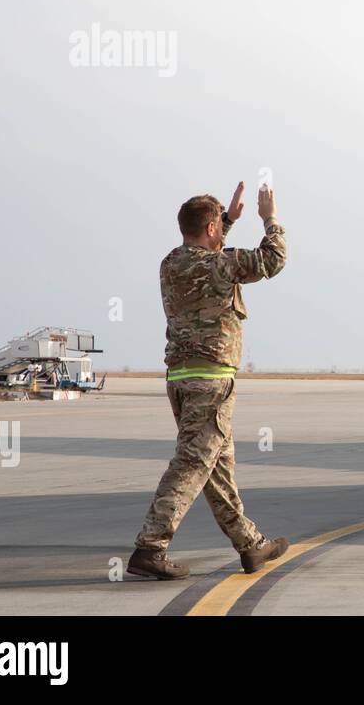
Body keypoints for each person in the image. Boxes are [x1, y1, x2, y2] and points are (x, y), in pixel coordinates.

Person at [128, 182, 288, 580]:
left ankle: (251, 546)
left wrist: (228, 220)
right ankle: (150, 547)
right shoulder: (222, 264)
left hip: (180, 378)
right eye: (219, 225)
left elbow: (205, 250)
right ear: (212, 229)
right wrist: (269, 218)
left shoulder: (171, 263)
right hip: (211, 380)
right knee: (192, 463)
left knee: (217, 466)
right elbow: (273, 259)